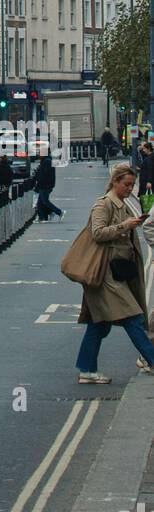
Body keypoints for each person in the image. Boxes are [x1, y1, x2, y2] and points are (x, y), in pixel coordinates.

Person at [74, 164, 154, 383]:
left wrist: (130, 224)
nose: (130, 188)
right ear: (115, 182)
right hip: (104, 273)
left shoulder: (122, 203)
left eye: (131, 185)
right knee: (133, 317)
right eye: (126, 184)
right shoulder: (103, 205)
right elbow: (98, 233)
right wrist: (125, 225)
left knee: (99, 324)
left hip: (117, 272)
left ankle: (86, 369)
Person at [33, 152, 63, 222]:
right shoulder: (46, 160)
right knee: (40, 203)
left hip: (46, 185)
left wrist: (37, 179)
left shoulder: (47, 162)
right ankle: (43, 217)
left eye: (39, 154)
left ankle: (59, 212)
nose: (38, 155)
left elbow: (43, 175)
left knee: (45, 201)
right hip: (45, 184)